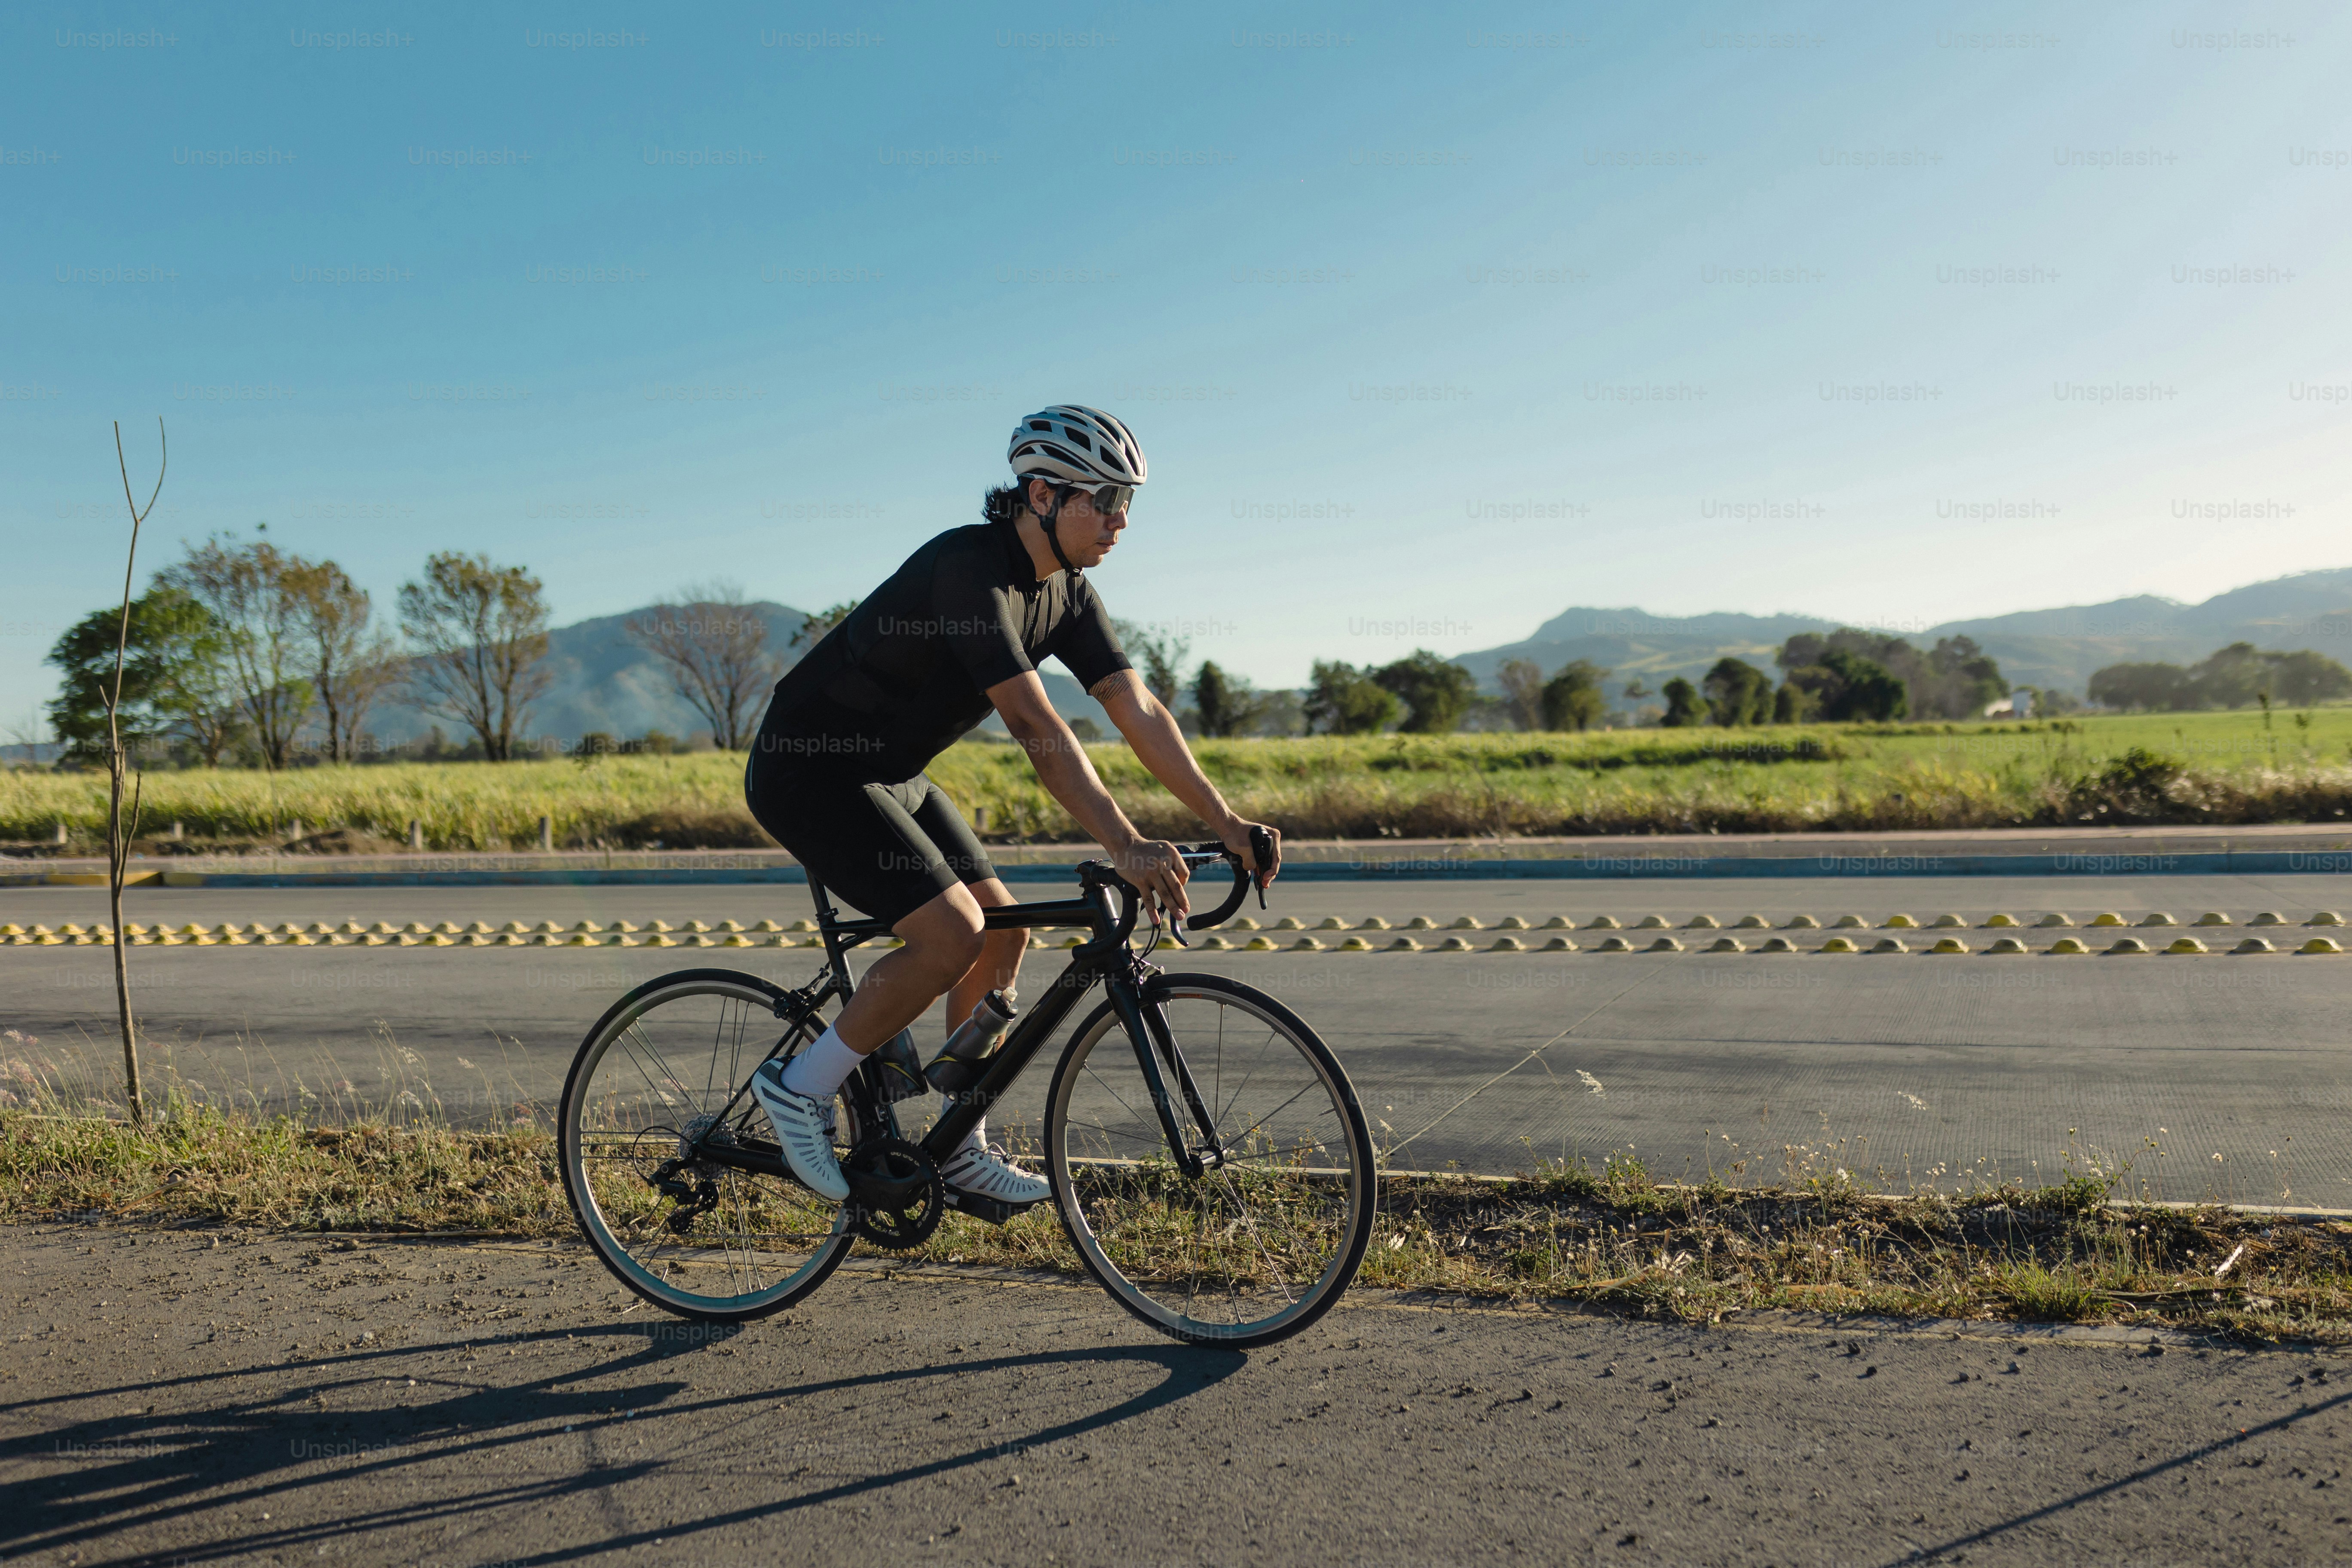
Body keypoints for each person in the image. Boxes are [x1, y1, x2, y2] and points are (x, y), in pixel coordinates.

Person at [743, 404, 1281, 1207]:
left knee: (1004, 932)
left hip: (894, 774)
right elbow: (1037, 726)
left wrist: (1227, 823)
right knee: (949, 933)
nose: (1120, 522)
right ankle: (798, 1088)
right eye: (1103, 500)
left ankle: (960, 1146)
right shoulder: (969, 568)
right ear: (1040, 494)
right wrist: (1127, 843)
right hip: (807, 770)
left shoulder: (1067, 594)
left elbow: (1137, 709)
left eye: (1128, 503)